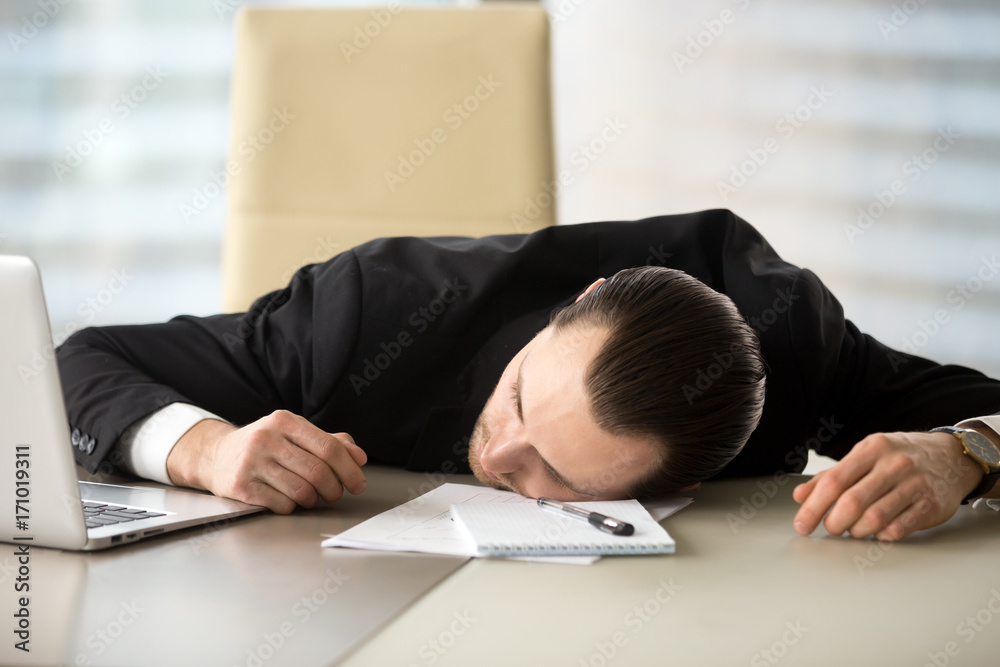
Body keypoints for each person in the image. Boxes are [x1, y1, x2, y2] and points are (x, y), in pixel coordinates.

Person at [56, 209, 1000, 542]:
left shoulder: (800, 356)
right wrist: (206, 446)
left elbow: (979, 414)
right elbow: (78, 360)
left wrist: (967, 451)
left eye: (559, 471)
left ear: (684, 486)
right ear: (567, 310)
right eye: (517, 398)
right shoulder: (360, 316)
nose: (496, 454)